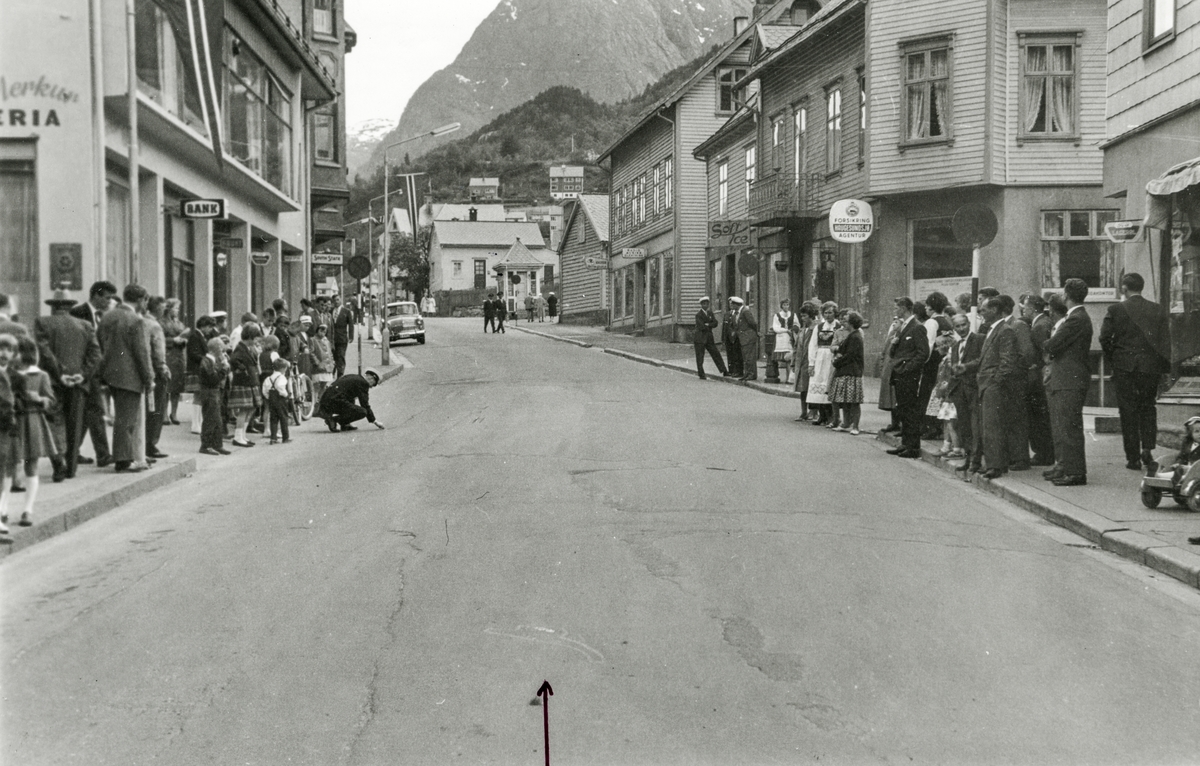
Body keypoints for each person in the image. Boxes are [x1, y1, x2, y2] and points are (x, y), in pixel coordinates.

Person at [1100, 272, 1171, 471]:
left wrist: (1115, 357)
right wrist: (1164, 368)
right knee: (1148, 407)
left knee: (1128, 411)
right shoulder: (1157, 309)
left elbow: (1104, 338)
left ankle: (1133, 458)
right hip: (1150, 368)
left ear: (1124, 288)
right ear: (1142, 287)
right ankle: (1147, 448)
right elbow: (1165, 341)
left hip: (1125, 367)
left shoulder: (1115, 309)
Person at [33, 287, 101, 480]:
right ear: (70, 306)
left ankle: (58, 464)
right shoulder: (86, 325)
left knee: (53, 423)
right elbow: (95, 355)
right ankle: (71, 468)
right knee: (74, 425)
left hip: (52, 383)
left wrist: (60, 374)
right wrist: (82, 375)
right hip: (78, 384)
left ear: (53, 307)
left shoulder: (42, 323)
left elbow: (45, 353)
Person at [97, 284, 154, 473]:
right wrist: (149, 378)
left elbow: (99, 343)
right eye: (145, 300)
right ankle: (123, 459)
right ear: (140, 300)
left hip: (109, 372)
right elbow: (142, 353)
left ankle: (125, 456)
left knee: (121, 416)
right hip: (129, 376)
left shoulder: (108, 316)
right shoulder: (136, 320)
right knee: (126, 419)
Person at [1044, 279, 1094, 486]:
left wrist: (1047, 344)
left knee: (1069, 427)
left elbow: (1053, 344)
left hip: (1069, 379)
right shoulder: (1075, 317)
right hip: (1066, 378)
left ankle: (1075, 472)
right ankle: (1065, 466)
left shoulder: (1076, 319)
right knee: (1062, 425)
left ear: (1067, 295)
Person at [69, 281, 117, 468]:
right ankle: (102, 455)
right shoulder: (78, 313)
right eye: (107, 297)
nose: (109, 301)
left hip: (95, 373)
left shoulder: (102, 316)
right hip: (81, 371)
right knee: (93, 412)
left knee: (89, 414)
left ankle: (73, 452)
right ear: (96, 296)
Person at [886, 297, 929, 458]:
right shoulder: (902, 326)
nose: (895, 310)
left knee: (910, 411)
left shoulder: (917, 327)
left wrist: (908, 368)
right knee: (903, 410)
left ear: (904, 308)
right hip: (899, 373)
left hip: (908, 376)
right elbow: (894, 353)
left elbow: (923, 353)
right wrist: (895, 342)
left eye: (896, 307)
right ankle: (905, 443)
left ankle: (913, 447)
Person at [1020, 293, 1055, 466]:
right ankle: (1045, 452)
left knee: (1038, 417)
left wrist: (1036, 365)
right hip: (1041, 376)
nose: (1023, 309)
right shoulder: (1044, 322)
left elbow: (1045, 353)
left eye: (1025, 306)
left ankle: (1043, 453)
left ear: (1033, 308)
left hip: (1039, 378)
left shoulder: (1039, 326)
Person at [948, 312, 984, 473]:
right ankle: (968, 458)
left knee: (975, 425)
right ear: (954, 328)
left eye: (963, 325)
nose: (961, 328)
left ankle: (976, 461)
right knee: (964, 425)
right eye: (957, 326)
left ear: (969, 324)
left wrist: (966, 367)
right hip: (959, 389)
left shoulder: (978, 339)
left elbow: (981, 360)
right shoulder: (955, 346)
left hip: (973, 387)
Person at [142, 297, 171, 461]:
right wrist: (162, 368)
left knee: (147, 410)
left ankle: (146, 444)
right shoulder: (154, 325)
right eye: (163, 308)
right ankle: (151, 444)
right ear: (157, 309)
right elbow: (158, 351)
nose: (164, 311)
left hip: (145, 370)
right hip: (155, 372)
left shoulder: (142, 321)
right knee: (156, 410)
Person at [319, 369, 387, 432]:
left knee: (351, 400)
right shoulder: (363, 383)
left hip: (326, 401)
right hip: (333, 402)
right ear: (371, 378)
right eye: (374, 384)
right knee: (362, 412)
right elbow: (365, 404)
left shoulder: (355, 377)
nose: (372, 387)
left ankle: (345, 424)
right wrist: (374, 421)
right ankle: (332, 420)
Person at [830, 311, 865, 434]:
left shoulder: (856, 336)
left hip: (852, 372)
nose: (844, 323)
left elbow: (850, 355)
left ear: (852, 323)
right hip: (846, 371)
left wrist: (837, 361)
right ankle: (845, 423)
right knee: (845, 399)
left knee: (853, 401)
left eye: (846, 320)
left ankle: (855, 426)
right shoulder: (851, 335)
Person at [806, 302, 840, 424]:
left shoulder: (839, 326)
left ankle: (832, 416)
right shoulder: (818, 327)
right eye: (825, 312)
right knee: (819, 384)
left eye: (830, 312)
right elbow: (813, 345)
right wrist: (811, 363)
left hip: (832, 359)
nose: (828, 315)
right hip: (820, 358)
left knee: (829, 384)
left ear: (835, 313)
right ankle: (822, 415)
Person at [228, 324, 262, 448]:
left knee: (250, 409)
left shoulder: (248, 347)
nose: (257, 340)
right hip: (244, 382)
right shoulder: (240, 348)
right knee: (244, 410)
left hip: (251, 382)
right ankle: (238, 436)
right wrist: (242, 369)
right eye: (256, 338)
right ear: (250, 337)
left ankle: (242, 435)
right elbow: (233, 360)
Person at [160, 299, 187, 425]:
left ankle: (174, 413)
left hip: (179, 356)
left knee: (177, 387)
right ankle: (164, 413)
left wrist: (183, 340)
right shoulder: (161, 322)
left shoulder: (179, 323)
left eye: (178, 308)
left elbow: (183, 335)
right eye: (175, 308)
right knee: (167, 386)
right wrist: (173, 340)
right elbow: (159, 339)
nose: (177, 311)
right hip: (168, 354)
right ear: (168, 309)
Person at [791, 303, 818, 421]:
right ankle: (803, 412)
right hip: (800, 362)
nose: (803, 319)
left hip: (810, 361)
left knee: (811, 387)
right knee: (802, 388)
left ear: (811, 316)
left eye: (805, 316)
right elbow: (796, 347)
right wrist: (793, 362)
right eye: (801, 316)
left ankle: (813, 412)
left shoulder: (815, 329)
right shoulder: (802, 330)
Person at [692, 297, 728, 380]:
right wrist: (709, 324)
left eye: (707, 303)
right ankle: (701, 374)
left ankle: (724, 370)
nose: (706, 305)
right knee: (700, 357)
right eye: (704, 304)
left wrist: (708, 324)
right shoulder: (698, 315)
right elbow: (701, 326)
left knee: (716, 354)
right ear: (701, 305)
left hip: (709, 338)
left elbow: (715, 323)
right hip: (700, 339)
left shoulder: (710, 313)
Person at [261, 357, 292, 445]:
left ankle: (273, 438)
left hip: (271, 400)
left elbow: (265, 390)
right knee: (283, 418)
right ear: (282, 368)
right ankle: (285, 437)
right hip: (280, 399)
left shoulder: (268, 378)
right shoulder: (281, 377)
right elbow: (280, 386)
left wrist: (268, 396)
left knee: (273, 419)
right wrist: (286, 395)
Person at [767, 299, 797, 385]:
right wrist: (785, 330)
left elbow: (797, 324)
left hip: (790, 338)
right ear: (781, 306)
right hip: (781, 339)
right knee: (781, 359)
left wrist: (793, 329)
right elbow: (776, 327)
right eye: (784, 305)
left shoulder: (793, 315)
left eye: (787, 305)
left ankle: (789, 379)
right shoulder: (777, 315)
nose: (786, 306)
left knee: (789, 359)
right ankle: (775, 376)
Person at [734, 298, 760, 381]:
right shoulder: (740, 312)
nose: (731, 306)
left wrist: (754, 333)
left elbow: (753, 323)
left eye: (733, 304)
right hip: (744, 338)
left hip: (748, 337)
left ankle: (751, 374)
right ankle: (747, 373)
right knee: (746, 356)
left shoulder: (745, 311)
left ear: (737, 304)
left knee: (750, 357)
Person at [310, 324, 335, 404]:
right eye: (321, 331)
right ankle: (314, 402)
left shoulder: (326, 341)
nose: (322, 333)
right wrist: (317, 362)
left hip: (327, 367)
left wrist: (332, 362)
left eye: (324, 331)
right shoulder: (313, 340)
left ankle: (320, 401)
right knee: (316, 386)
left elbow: (330, 353)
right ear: (317, 330)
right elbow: (311, 352)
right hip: (318, 367)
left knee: (324, 385)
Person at [331, 295, 354, 378]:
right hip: (332, 339)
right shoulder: (330, 311)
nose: (336, 302)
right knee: (333, 357)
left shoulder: (346, 311)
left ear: (341, 300)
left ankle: (340, 376)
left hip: (342, 339)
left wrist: (351, 336)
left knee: (340, 357)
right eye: (334, 300)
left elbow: (351, 324)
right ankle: (331, 373)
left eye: (338, 300)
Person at [721, 299, 743, 378]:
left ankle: (737, 371)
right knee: (729, 354)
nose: (731, 305)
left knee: (736, 354)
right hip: (728, 337)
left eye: (732, 304)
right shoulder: (727, 314)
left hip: (735, 337)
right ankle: (731, 370)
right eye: (730, 304)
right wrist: (723, 339)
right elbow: (724, 327)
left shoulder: (738, 314)